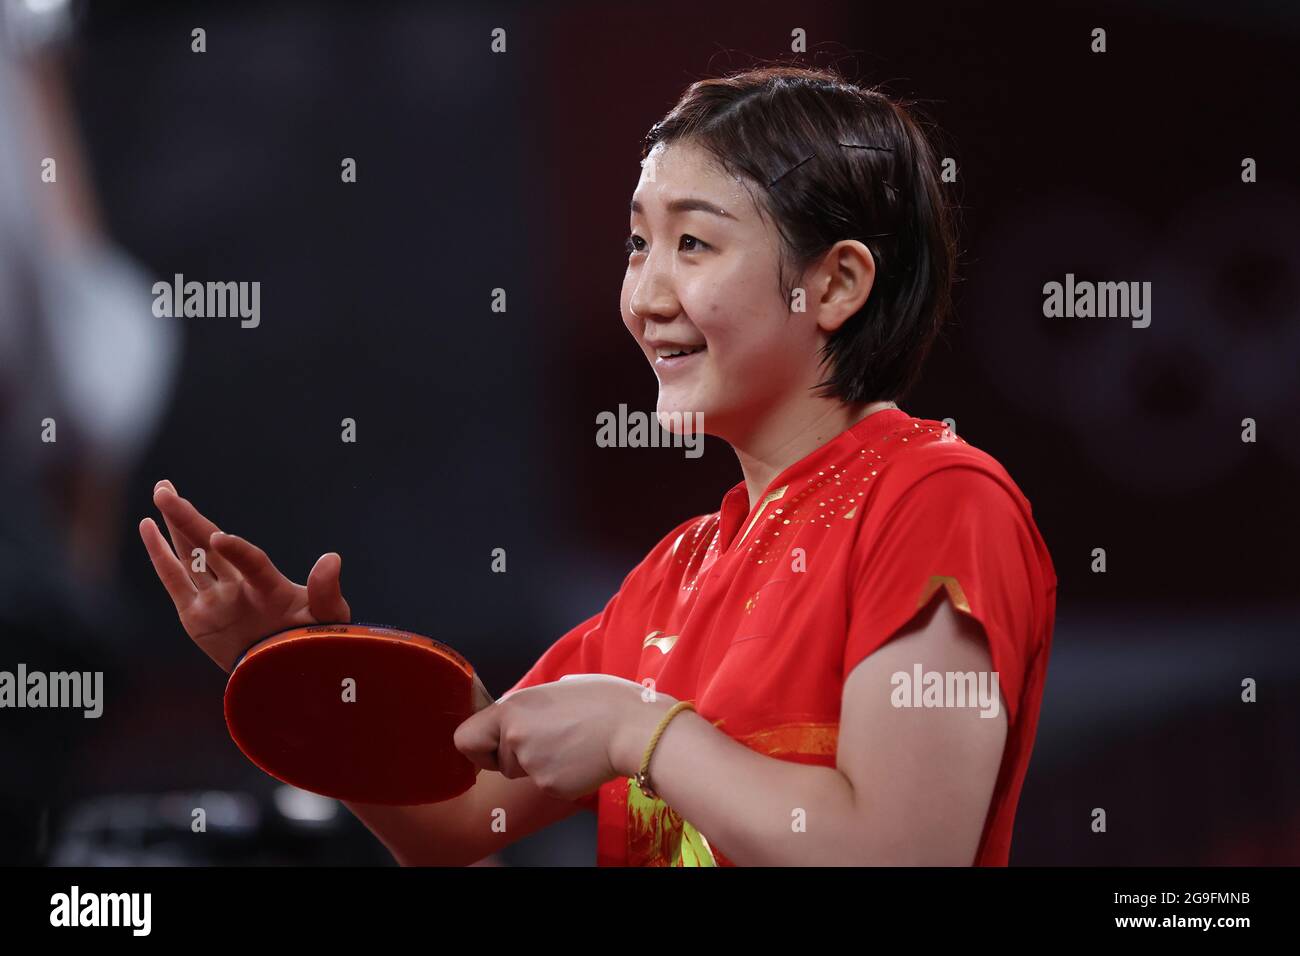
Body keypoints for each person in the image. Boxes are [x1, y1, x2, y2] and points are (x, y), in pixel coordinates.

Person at [141, 64, 1057, 867]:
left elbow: (901, 854)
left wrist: (639, 731)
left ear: (835, 284)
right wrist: (290, 672)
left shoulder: (939, 499)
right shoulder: (672, 579)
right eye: (636, 244)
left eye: (693, 243)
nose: (646, 296)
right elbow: (455, 819)